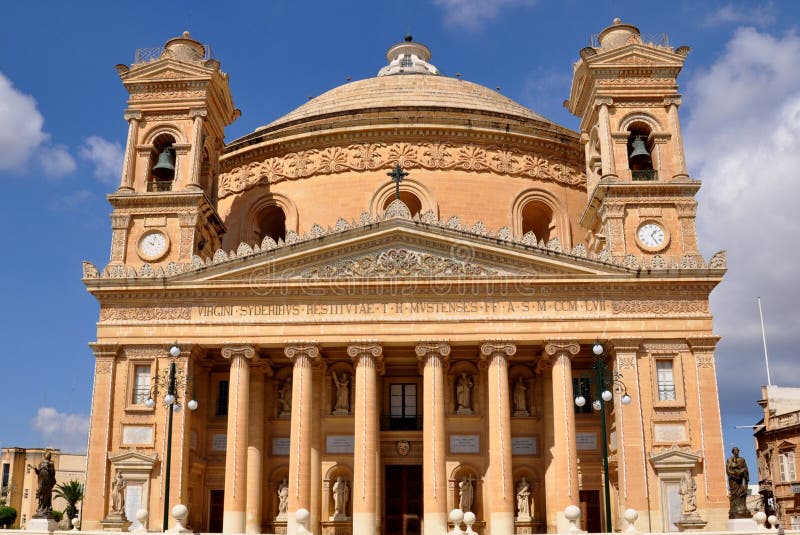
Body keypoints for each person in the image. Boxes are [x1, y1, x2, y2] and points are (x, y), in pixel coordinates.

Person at [29, 452, 56, 517]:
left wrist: (53, 480)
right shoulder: (41, 463)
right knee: (41, 491)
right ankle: (41, 507)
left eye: (49, 455)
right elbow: (38, 472)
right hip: (41, 479)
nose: (47, 455)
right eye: (46, 454)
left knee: (46, 493)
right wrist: (35, 468)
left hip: (47, 479)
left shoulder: (51, 463)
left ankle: (46, 507)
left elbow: (52, 473)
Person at [726, 447, 750, 518]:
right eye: (734, 451)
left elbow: (746, 468)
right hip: (734, 480)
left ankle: (743, 509)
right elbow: (728, 469)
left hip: (741, 478)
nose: (736, 452)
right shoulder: (729, 460)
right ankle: (734, 509)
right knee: (735, 494)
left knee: (742, 492)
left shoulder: (742, 460)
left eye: (737, 451)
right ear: (732, 452)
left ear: (738, 451)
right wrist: (736, 474)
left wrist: (743, 472)